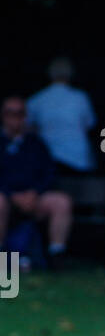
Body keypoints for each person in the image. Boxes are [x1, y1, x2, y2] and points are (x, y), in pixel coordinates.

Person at [0, 96, 73, 270]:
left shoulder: (36, 144)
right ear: (3, 116)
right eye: (10, 113)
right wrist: (12, 194)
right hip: (6, 198)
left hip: (34, 198)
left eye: (20, 113)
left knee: (61, 202)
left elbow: (49, 173)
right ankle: (2, 258)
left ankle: (57, 255)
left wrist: (35, 192)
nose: (15, 118)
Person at [27, 57, 96, 177]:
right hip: (51, 160)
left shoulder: (36, 99)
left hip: (74, 160)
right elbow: (89, 124)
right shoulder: (80, 98)